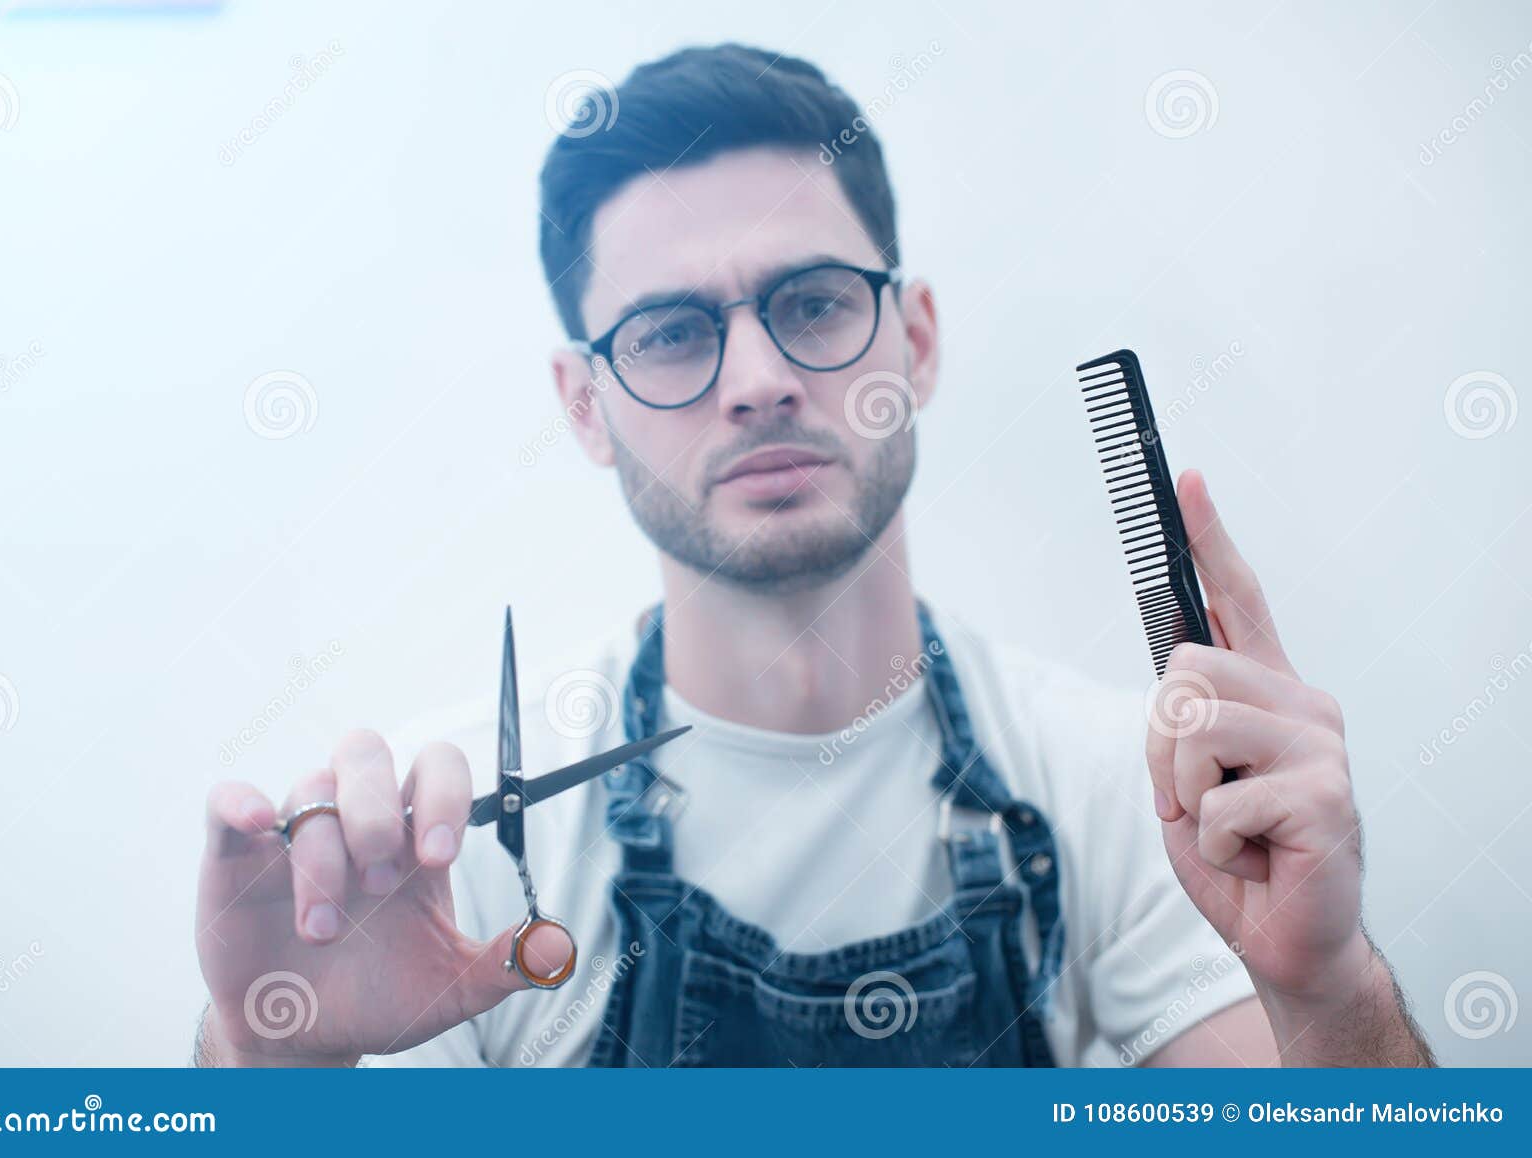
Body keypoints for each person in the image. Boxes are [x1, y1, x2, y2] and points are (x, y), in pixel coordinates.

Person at [193, 43, 1433, 1068]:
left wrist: (1325, 991)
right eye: (672, 333)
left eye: (815, 302)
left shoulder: (1135, 789)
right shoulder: (436, 851)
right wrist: (275, 1064)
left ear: (919, 339)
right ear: (584, 404)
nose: (760, 381)